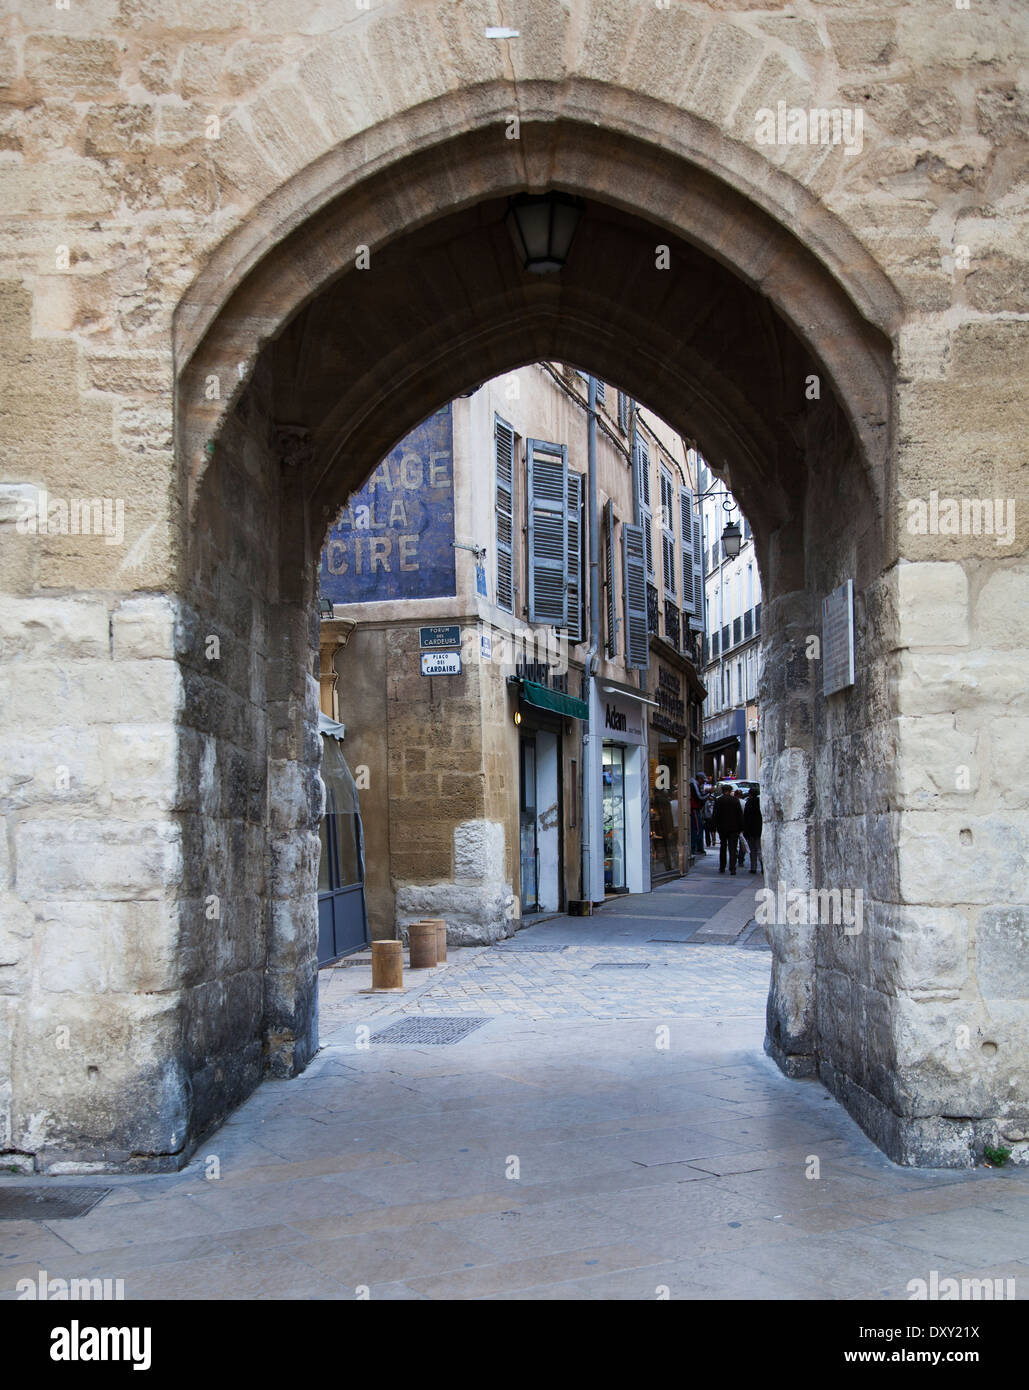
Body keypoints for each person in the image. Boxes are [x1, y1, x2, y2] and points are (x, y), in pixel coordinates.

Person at [712, 782, 744, 874]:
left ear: (722, 791)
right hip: (734, 828)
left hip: (722, 828)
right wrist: (742, 827)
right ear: (730, 791)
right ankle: (732, 868)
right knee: (732, 848)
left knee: (723, 847)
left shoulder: (719, 800)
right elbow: (739, 815)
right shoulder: (735, 800)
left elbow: (715, 815)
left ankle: (722, 867)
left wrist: (714, 827)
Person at [743, 786, 763, 874]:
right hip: (759, 829)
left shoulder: (749, 803)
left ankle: (753, 867)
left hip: (751, 830)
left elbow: (746, 817)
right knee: (760, 849)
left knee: (752, 850)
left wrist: (745, 830)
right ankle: (763, 866)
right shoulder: (760, 803)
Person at [688, 775, 706, 856]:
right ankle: (694, 847)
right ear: (699, 779)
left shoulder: (694, 785)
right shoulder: (694, 785)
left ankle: (696, 847)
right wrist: (708, 794)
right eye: (703, 780)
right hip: (694, 809)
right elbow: (700, 797)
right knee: (697, 828)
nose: (703, 782)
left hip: (695, 809)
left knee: (697, 828)